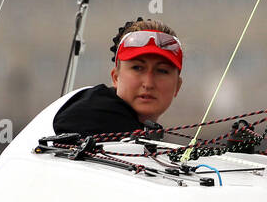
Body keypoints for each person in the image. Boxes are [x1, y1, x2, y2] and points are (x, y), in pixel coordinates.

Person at [53, 18, 183, 136]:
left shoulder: (138, 137)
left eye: (162, 71)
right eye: (137, 68)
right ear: (115, 77)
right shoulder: (87, 121)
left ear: (177, 86)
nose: (148, 83)